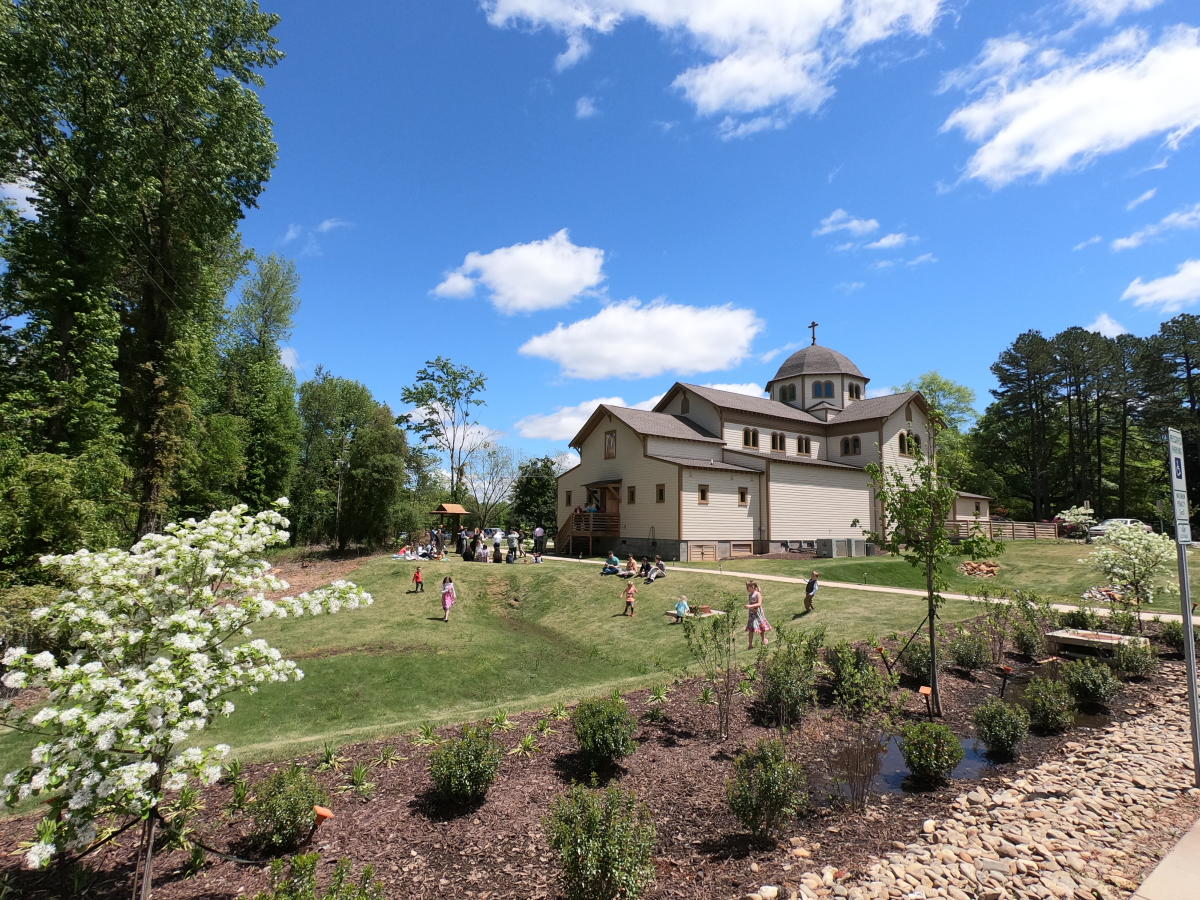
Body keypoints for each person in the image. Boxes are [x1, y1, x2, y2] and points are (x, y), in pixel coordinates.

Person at [745, 581, 771, 649]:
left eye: (748, 587)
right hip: (752, 614)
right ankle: (750, 645)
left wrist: (750, 606)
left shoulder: (758, 594)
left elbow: (759, 604)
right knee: (751, 629)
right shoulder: (750, 595)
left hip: (758, 613)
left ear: (752, 587)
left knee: (761, 627)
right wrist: (750, 607)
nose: (747, 588)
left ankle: (763, 640)